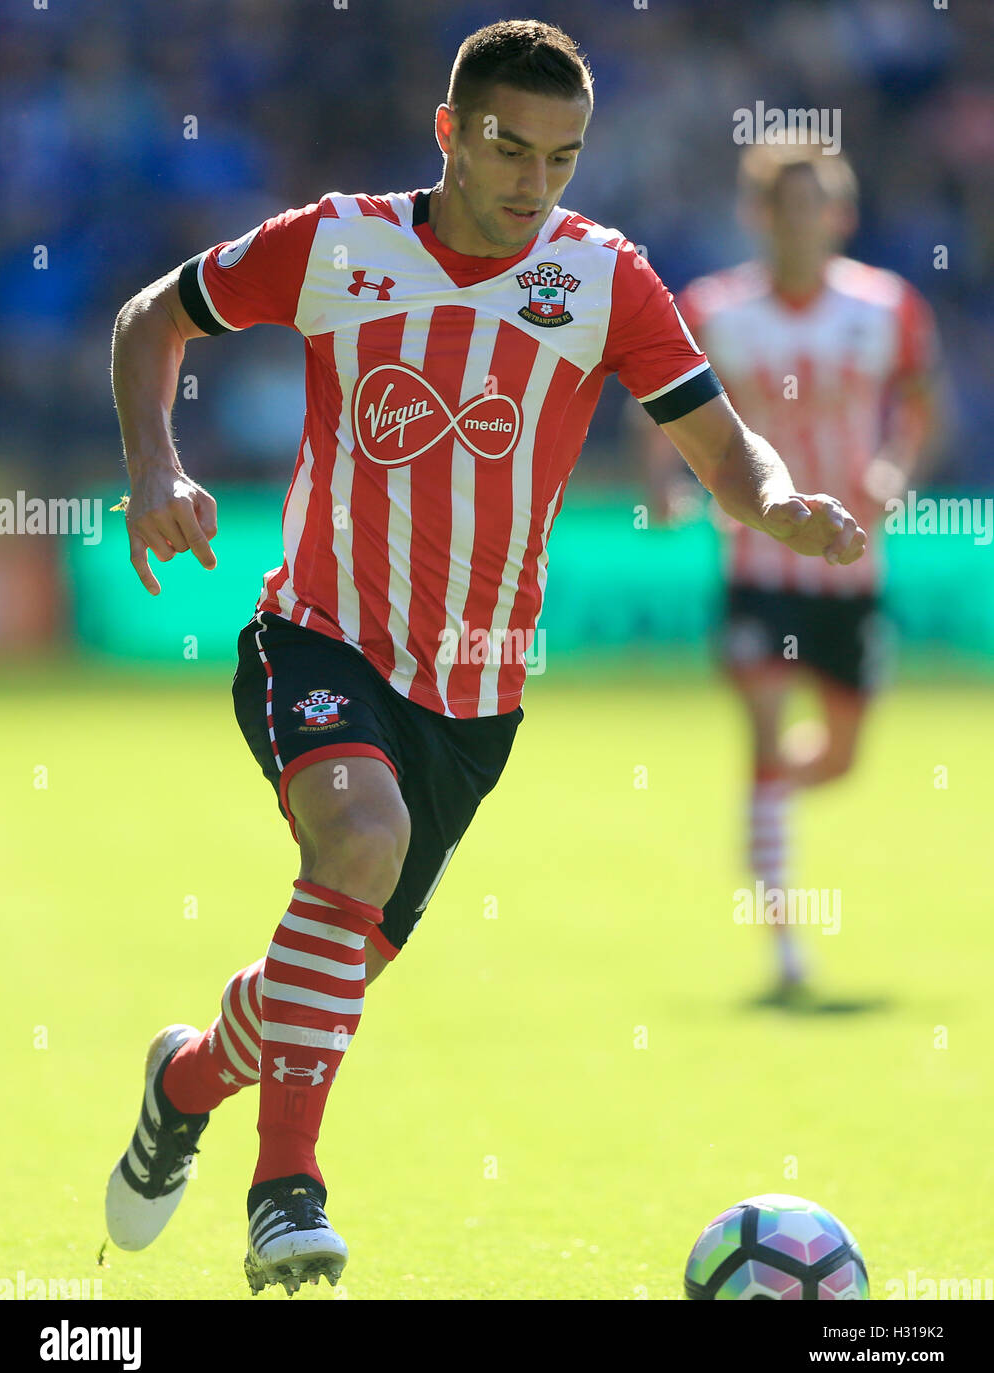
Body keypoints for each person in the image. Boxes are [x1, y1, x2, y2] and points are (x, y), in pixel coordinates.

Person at [107, 20, 866, 1297]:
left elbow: (722, 446)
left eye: (562, 159)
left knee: (328, 970)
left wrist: (779, 502)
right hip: (320, 633)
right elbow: (150, 320)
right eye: (509, 148)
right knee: (356, 840)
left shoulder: (603, 277)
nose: (533, 183)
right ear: (450, 131)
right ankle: (285, 1190)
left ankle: (181, 1085)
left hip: (475, 696)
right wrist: (152, 468)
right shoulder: (336, 243)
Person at [628, 140, 938, 1000]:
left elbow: (922, 407)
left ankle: (766, 809)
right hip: (759, 557)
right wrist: (666, 486)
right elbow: (660, 406)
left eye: (814, 205)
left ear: (841, 216)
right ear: (756, 214)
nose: (798, 221)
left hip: (852, 566)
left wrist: (894, 474)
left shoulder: (887, 308)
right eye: (781, 205)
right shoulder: (716, 310)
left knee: (839, 759)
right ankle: (787, 951)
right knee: (765, 729)